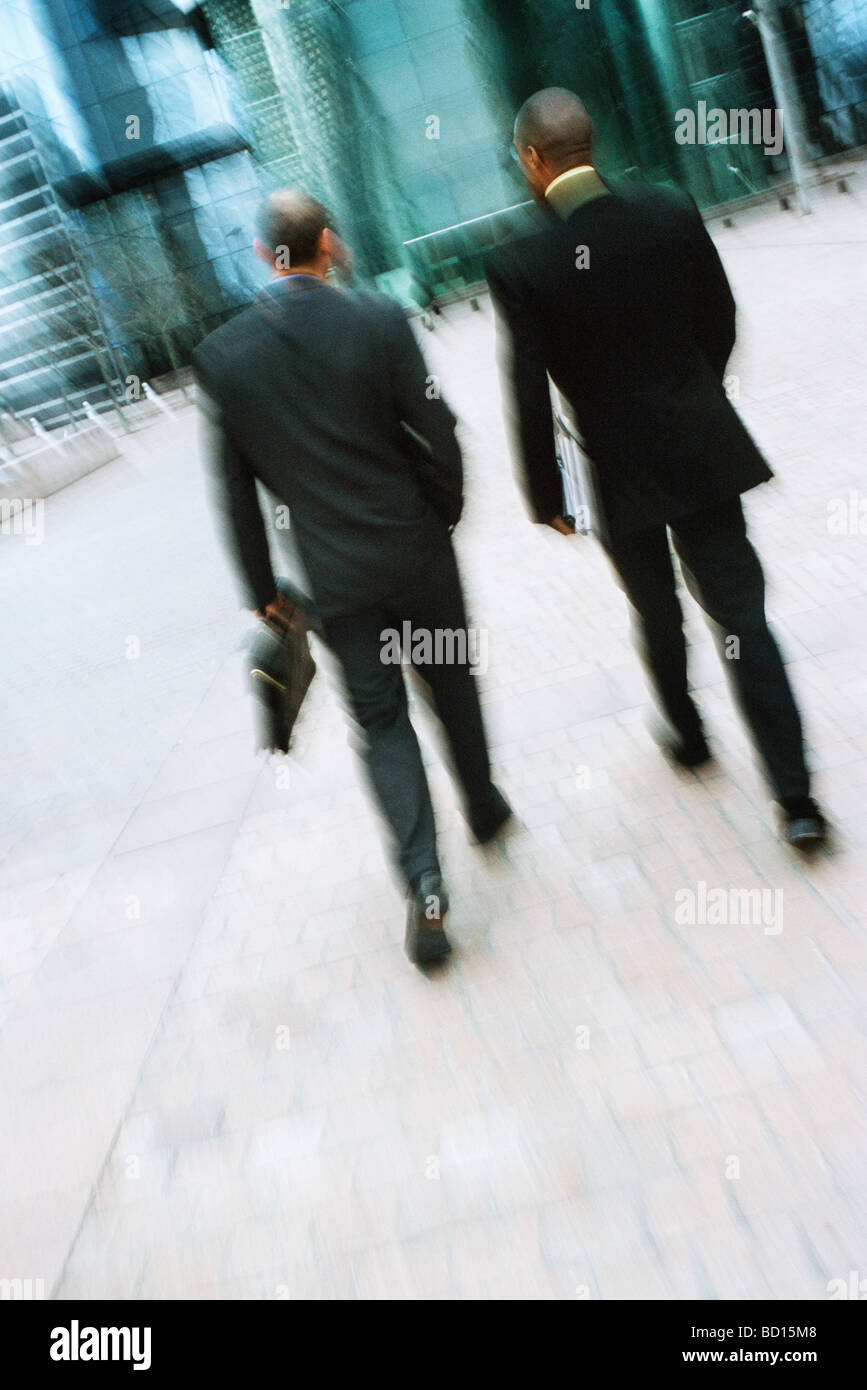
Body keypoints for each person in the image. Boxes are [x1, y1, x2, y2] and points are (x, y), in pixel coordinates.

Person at [485, 88, 827, 849]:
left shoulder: (520, 260)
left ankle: (686, 731)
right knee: (740, 616)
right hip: (702, 446)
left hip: (617, 467)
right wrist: (692, 393)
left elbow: (525, 388)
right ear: (590, 144)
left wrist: (545, 493)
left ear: (533, 161)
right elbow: (721, 319)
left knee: (654, 606)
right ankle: (797, 799)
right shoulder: (668, 209)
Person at [193, 191, 511, 966]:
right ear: (327, 244)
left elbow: (233, 490)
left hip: (336, 579)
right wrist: (443, 512)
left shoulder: (224, 358)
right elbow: (436, 425)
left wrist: (264, 590)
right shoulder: (377, 319)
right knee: (451, 683)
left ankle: (425, 885)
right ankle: (482, 805)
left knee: (381, 723)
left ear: (268, 257)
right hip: (414, 552)